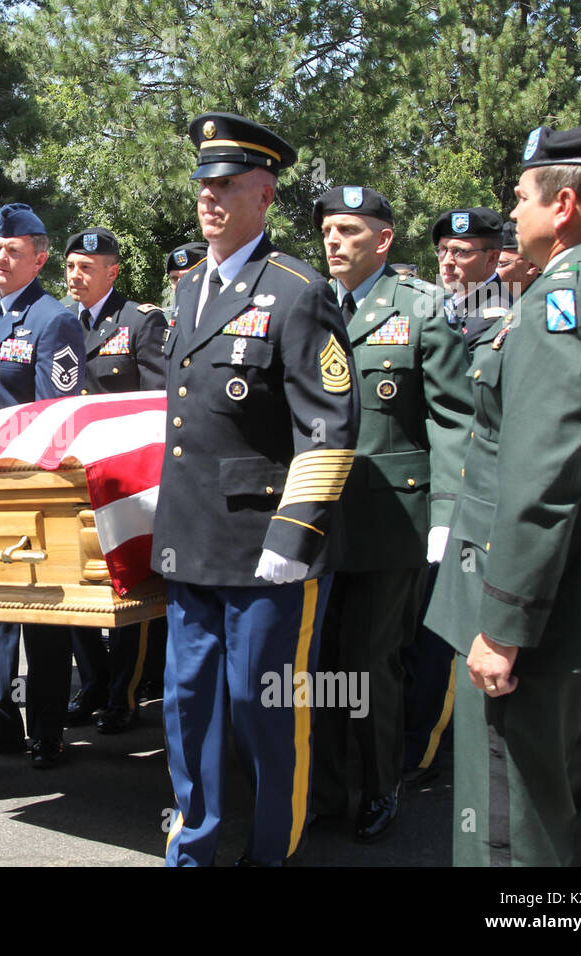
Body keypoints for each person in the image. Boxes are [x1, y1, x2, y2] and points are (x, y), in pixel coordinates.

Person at [426, 122, 581, 866]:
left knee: (507, 831)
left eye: (521, 196)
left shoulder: (564, 303)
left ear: (563, 206)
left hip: (535, 619)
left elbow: (541, 482)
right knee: (561, 814)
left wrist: (503, 626)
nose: (512, 212)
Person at [152, 113, 359, 866]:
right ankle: (194, 846)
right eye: (204, 185)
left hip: (266, 548)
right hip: (193, 540)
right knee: (189, 705)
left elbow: (330, 426)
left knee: (265, 708)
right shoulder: (187, 292)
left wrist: (295, 533)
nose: (210, 198)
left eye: (228, 185)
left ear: (265, 196)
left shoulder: (297, 292)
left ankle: (271, 851)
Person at [309, 186, 474, 842]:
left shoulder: (421, 308)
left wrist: (447, 510)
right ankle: (326, 791)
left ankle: (381, 787)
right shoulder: (309, 303)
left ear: (383, 240)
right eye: (328, 230)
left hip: (391, 522)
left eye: (349, 230)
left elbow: (453, 417)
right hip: (317, 517)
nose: (334, 240)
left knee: (371, 660)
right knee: (319, 663)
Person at [0, 203, 85, 769]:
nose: (1, 258)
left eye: (13, 251)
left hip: (30, 487)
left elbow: (56, 416)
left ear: (39, 260)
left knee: (42, 613)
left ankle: (46, 729)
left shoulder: (52, 319)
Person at [63, 227, 168, 733]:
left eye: (86, 267)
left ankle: (124, 694)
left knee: (128, 584)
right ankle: (93, 683)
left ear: (112, 272)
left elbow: (158, 400)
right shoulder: (61, 322)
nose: (75, 276)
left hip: (124, 477)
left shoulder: (140, 321)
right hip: (72, 473)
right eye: (69, 267)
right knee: (75, 580)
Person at [431, 207, 504, 358]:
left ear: (492, 258)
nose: (446, 261)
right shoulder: (445, 302)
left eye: (460, 252)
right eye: (442, 249)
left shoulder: (495, 318)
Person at [493, 221, 540, 304]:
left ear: (531, 266)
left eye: (499, 264)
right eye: (489, 262)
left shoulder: (547, 302)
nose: (489, 271)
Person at [163, 242, 208, 325]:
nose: (180, 283)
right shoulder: (166, 317)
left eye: (187, 276)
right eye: (175, 278)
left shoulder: (224, 311)